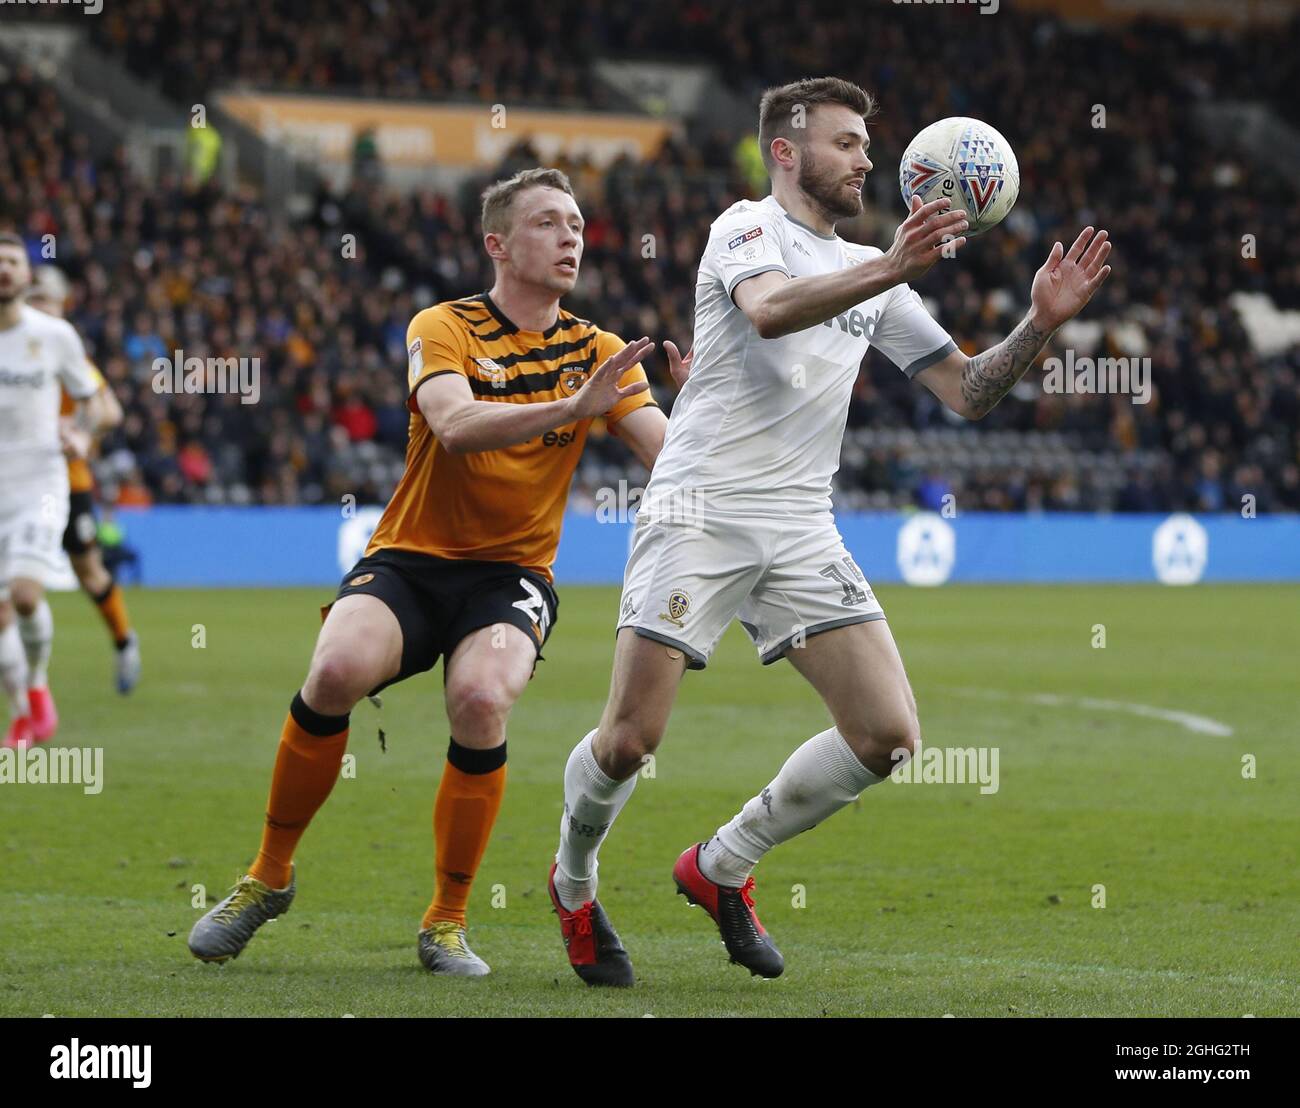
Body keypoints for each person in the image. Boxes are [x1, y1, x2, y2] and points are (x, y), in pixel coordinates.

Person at [547, 77, 1112, 985]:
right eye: (847, 142)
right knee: (628, 742)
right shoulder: (747, 228)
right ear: (786, 150)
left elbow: (966, 393)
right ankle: (573, 884)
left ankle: (721, 864)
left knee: (888, 735)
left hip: (802, 524)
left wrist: (1039, 324)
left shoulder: (876, 279)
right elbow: (769, 310)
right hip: (700, 511)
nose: (864, 159)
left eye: (865, 144)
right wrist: (890, 265)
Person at [187, 168, 691, 975]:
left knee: (482, 699)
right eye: (549, 224)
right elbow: (454, 425)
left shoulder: (600, 352)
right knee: (337, 668)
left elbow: (671, 459)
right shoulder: (445, 324)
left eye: (577, 224)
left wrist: (704, 419)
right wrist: (571, 408)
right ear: (498, 243)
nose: (572, 238)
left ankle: (447, 921)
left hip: (510, 574)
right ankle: (267, 877)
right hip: (410, 559)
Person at [0, 234, 106, 749]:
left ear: (26, 274)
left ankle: (38, 686)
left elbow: (95, 401)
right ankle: (23, 711)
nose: (4, 269)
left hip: (40, 485)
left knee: (23, 596)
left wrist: (83, 432)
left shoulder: (55, 335)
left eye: (12, 261)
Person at [26, 266, 141, 695]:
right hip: (14, 479)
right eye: (33, 300)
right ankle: (29, 685)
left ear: (61, 308)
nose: (39, 309)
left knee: (89, 571)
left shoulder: (65, 352)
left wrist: (81, 431)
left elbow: (109, 410)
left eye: (47, 302)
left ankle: (124, 641)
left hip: (66, 482)